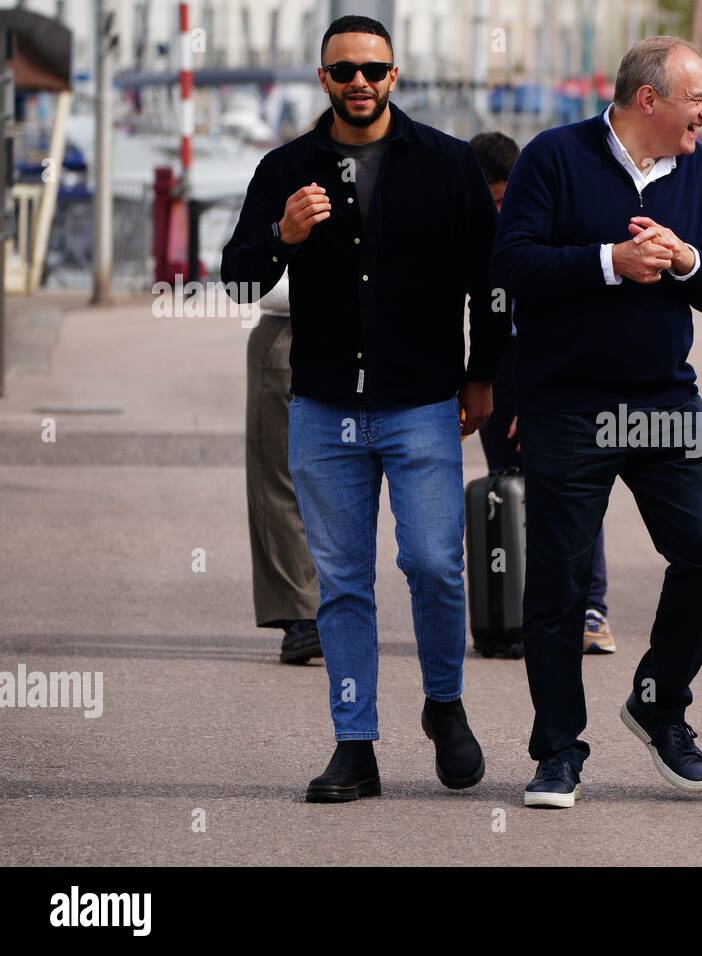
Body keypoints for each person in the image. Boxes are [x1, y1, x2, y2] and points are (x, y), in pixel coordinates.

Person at [221, 15, 506, 803]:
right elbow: (239, 278)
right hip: (323, 407)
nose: (359, 82)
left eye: (372, 70)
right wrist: (282, 234)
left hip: (421, 404)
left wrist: (483, 376)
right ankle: (356, 745)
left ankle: (444, 706)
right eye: (343, 70)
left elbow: (491, 283)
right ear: (323, 79)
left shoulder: (446, 165)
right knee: (343, 585)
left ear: (392, 75)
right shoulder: (287, 167)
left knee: (433, 564)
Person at [492, 35, 702, 809]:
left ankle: (660, 703)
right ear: (649, 101)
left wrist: (686, 259)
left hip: (666, 402)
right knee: (559, 587)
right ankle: (558, 751)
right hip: (565, 404)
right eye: (697, 98)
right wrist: (610, 261)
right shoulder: (552, 157)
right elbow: (514, 264)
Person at [469, 131, 616, 655]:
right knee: (509, 488)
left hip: (554, 367)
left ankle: (591, 609)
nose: (500, 213)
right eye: (489, 203)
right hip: (500, 370)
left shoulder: (546, 227)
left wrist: (541, 394)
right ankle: (515, 612)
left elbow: (569, 309)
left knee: (569, 486)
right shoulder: (473, 233)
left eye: (506, 200)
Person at [244, 272, 321, 664]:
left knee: (278, 477)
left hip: (290, 327)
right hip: (372, 328)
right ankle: (339, 609)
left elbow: (253, 278)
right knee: (348, 477)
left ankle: (303, 614)